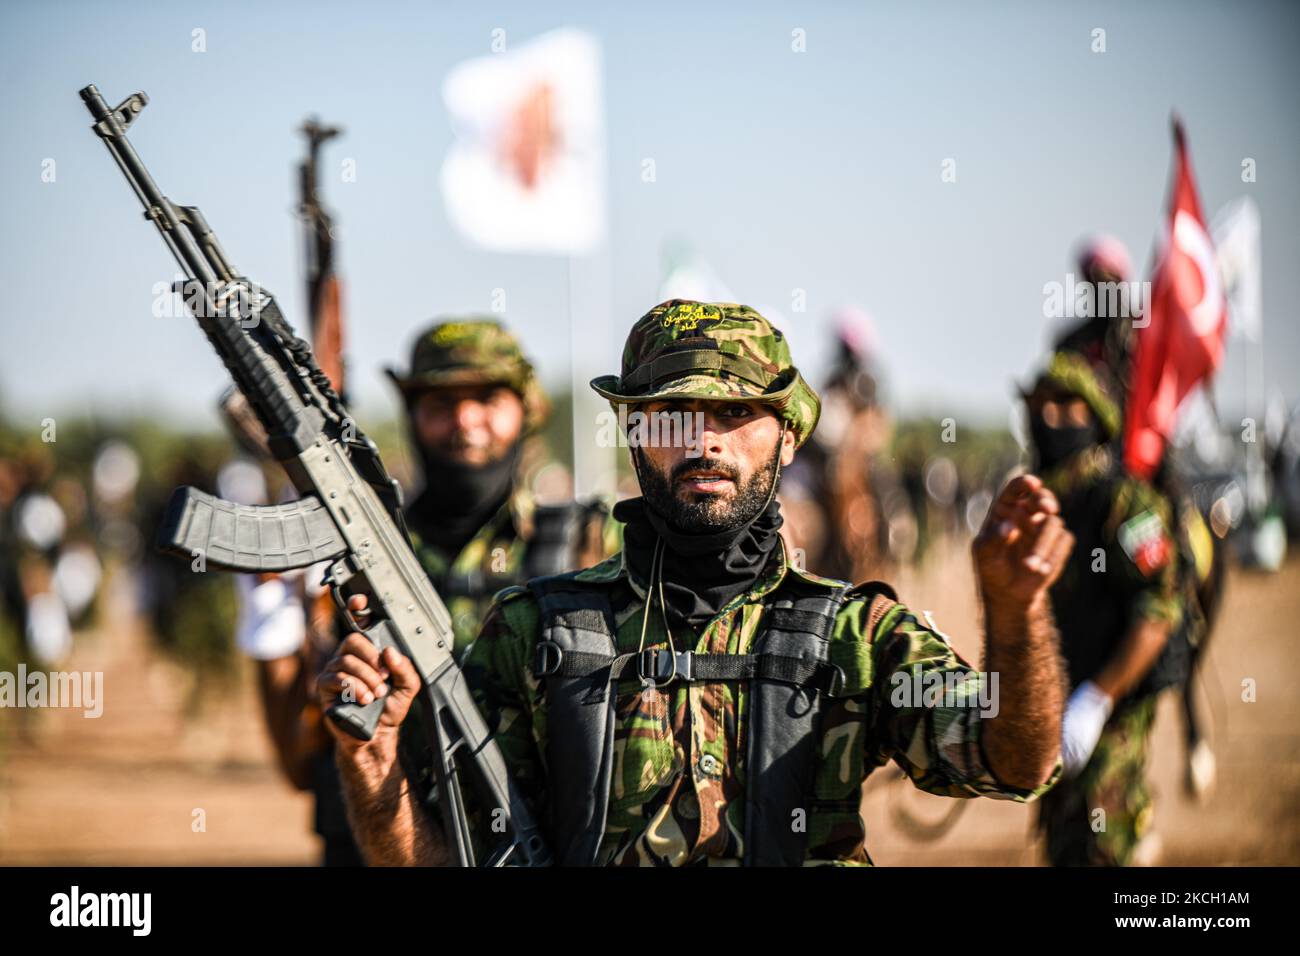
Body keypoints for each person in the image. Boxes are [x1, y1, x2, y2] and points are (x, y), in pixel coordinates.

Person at [321, 299, 1070, 867]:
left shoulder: (855, 633)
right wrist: (374, 765)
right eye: (672, 414)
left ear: (789, 433)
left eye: (736, 412)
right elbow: (447, 857)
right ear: (636, 432)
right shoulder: (534, 631)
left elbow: (1014, 762)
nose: (704, 440)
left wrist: (1016, 612)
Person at [242, 317, 610, 866]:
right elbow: (299, 761)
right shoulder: (349, 551)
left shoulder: (591, 546)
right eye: (439, 402)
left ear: (527, 409)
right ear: (411, 415)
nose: (464, 420)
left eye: (486, 399)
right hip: (379, 841)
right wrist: (269, 612)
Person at [1023, 350, 1196, 866]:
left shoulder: (1125, 503)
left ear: (1096, 417)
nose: (1048, 418)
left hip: (1109, 716)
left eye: (1065, 404)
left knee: (1104, 846)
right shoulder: (1041, 505)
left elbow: (1158, 613)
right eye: (1039, 404)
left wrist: (1095, 700)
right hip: (1054, 719)